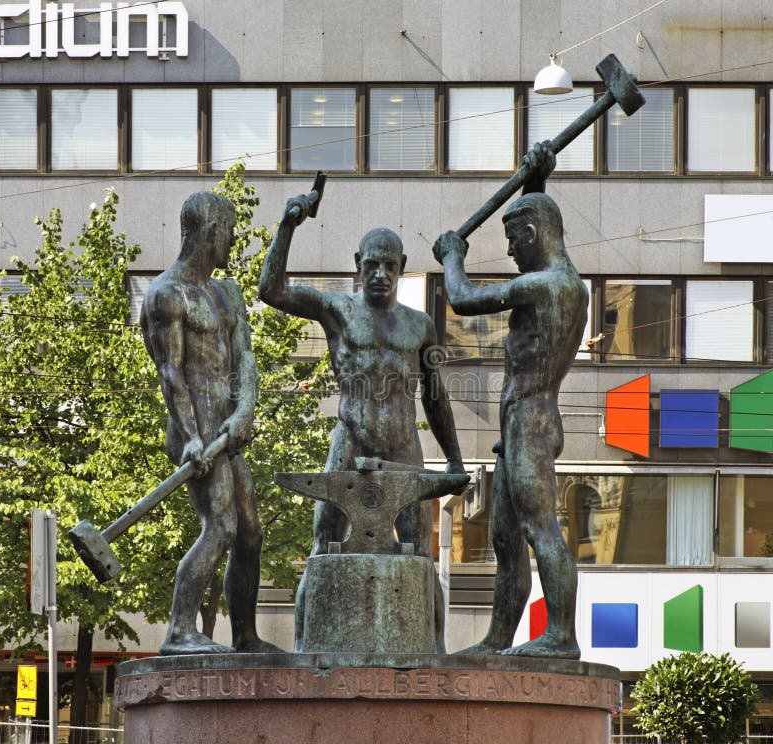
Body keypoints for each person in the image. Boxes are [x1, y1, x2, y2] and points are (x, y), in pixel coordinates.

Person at [259, 209, 465, 653]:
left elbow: (435, 396)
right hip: (349, 443)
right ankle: (305, 649)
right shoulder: (336, 309)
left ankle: (435, 652)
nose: (380, 274)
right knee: (323, 546)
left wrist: (454, 460)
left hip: (403, 451)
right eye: (371, 264)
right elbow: (270, 290)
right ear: (358, 263)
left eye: (389, 265)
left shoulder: (420, 325)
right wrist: (287, 227)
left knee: (420, 553)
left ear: (402, 266)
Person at [432, 144, 588, 658]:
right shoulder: (560, 281)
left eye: (512, 241)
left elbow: (464, 300)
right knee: (505, 540)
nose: (511, 252)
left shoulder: (548, 285)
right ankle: (498, 638)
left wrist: (454, 256)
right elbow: (535, 219)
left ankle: (560, 635)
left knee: (540, 527)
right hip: (520, 424)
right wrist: (536, 179)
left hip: (531, 420)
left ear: (531, 236)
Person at [140, 191, 278, 655]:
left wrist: (245, 410)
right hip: (195, 434)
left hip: (229, 430)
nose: (234, 238)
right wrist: (194, 438)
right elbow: (171, 372)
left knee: (251, 533)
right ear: (211, 230)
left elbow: (245, 359)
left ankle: (245, 635)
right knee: (219, 528)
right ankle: (180, 629)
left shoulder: (226, 293)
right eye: (231, 229)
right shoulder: (165, 294)